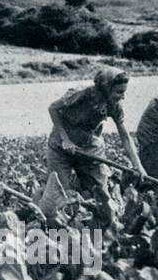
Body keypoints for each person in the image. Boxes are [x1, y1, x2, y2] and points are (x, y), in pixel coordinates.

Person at [45, 66, 146, 204]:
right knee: (58, 196)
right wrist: (65, 140)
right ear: (106, 88)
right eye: (119, 92)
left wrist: (138, 166)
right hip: (60, 147)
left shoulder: (115, 105)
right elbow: (53, 108)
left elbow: (125, 137)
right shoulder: (80, 93)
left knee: (101, 196)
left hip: (89, 147)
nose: (123, 96)